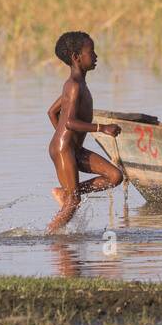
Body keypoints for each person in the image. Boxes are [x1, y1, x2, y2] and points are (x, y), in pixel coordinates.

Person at [46, 31, 123, 232]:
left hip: (71, 148)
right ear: (76, 57)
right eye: (91, 52)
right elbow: (70, 122)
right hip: (63, 150)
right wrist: (102, 128)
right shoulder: (73, 86)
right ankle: (49, 237)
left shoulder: (79, 84)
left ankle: (67, 193)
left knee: (115, 176)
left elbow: (52, 112)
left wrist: (69, 140)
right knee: (73, 202)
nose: (96, 56)